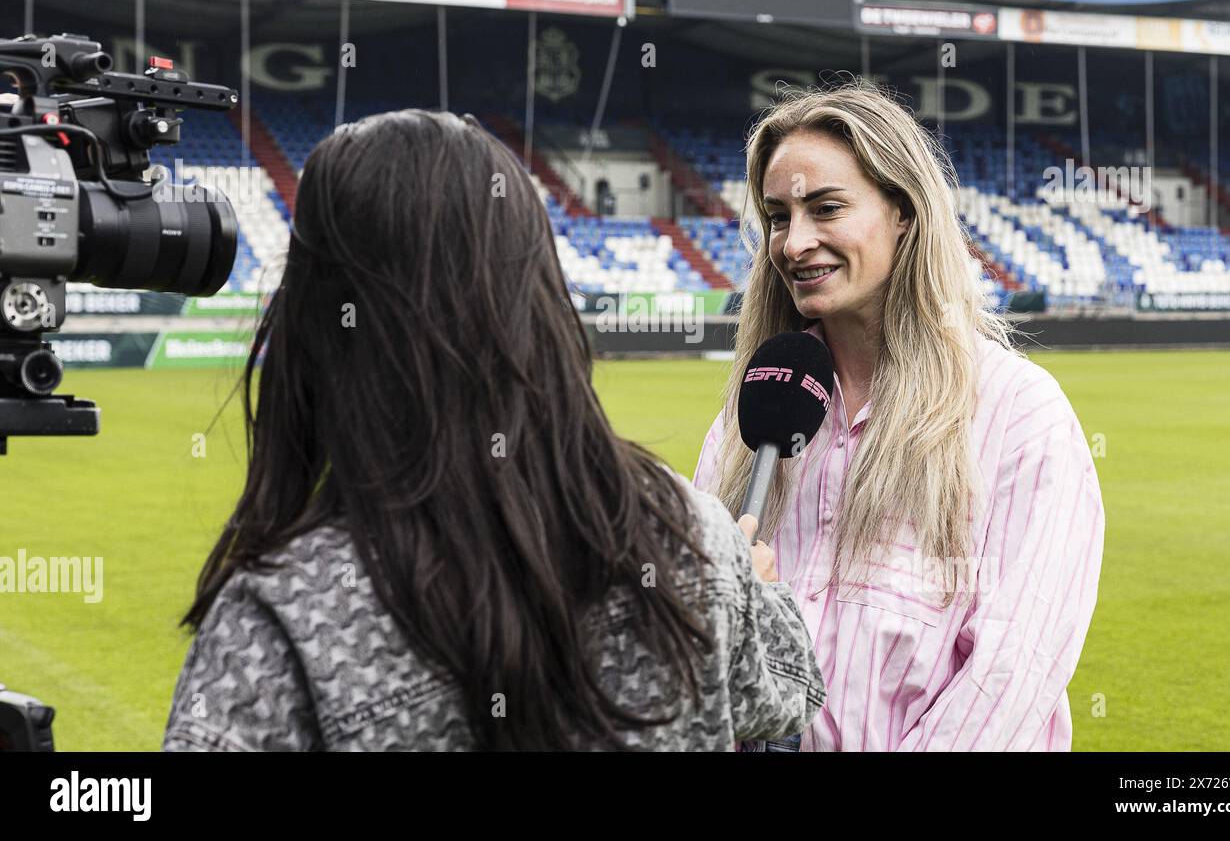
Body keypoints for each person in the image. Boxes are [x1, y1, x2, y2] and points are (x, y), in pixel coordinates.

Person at [162, 109, 825, 751]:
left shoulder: (284, 615)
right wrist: (749, 587)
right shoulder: (693, 537)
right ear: (536, 292)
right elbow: (791, 696)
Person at [694, 83, 1105, 751]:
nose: (795, 242)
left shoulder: (1019, 415)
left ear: (905, 212)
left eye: (826, 208)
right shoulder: (754, 418)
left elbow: (1012, 676)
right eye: (777, 216)